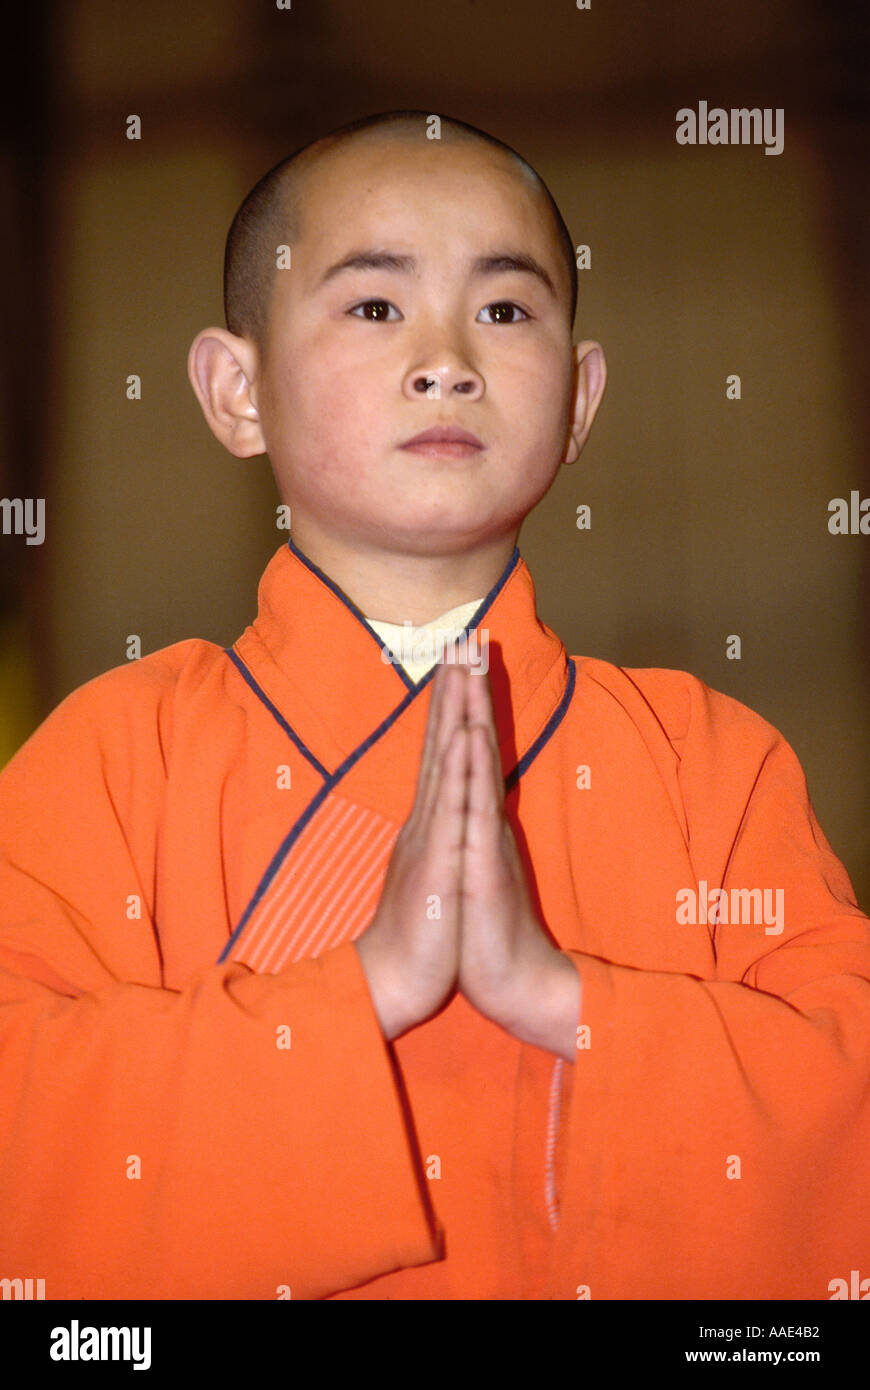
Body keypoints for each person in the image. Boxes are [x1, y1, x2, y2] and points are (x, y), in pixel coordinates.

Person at [0, 110, 867, 1301]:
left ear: (579, 398)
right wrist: (361, 992)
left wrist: (562, 1000)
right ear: (235, 390)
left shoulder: (712, 762)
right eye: (373, 305)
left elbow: (846, 1117)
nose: (447, 355)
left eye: (506, 310)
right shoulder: (108, 757)